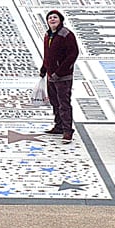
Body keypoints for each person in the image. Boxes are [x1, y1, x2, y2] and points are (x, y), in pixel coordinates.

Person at [39, 9, 80, 144]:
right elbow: (48, 54)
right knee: (54, 102)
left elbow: (72, 55)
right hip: (51, 75)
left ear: (60, 19)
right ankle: (59, 126)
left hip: (63, 77)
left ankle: (68, 130)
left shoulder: (66, 34)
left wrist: (60, 72)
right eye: (50, 18)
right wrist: (44, 68)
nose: (52, 19)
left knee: (64, 104)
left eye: (55, 17)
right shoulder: (48, 35)